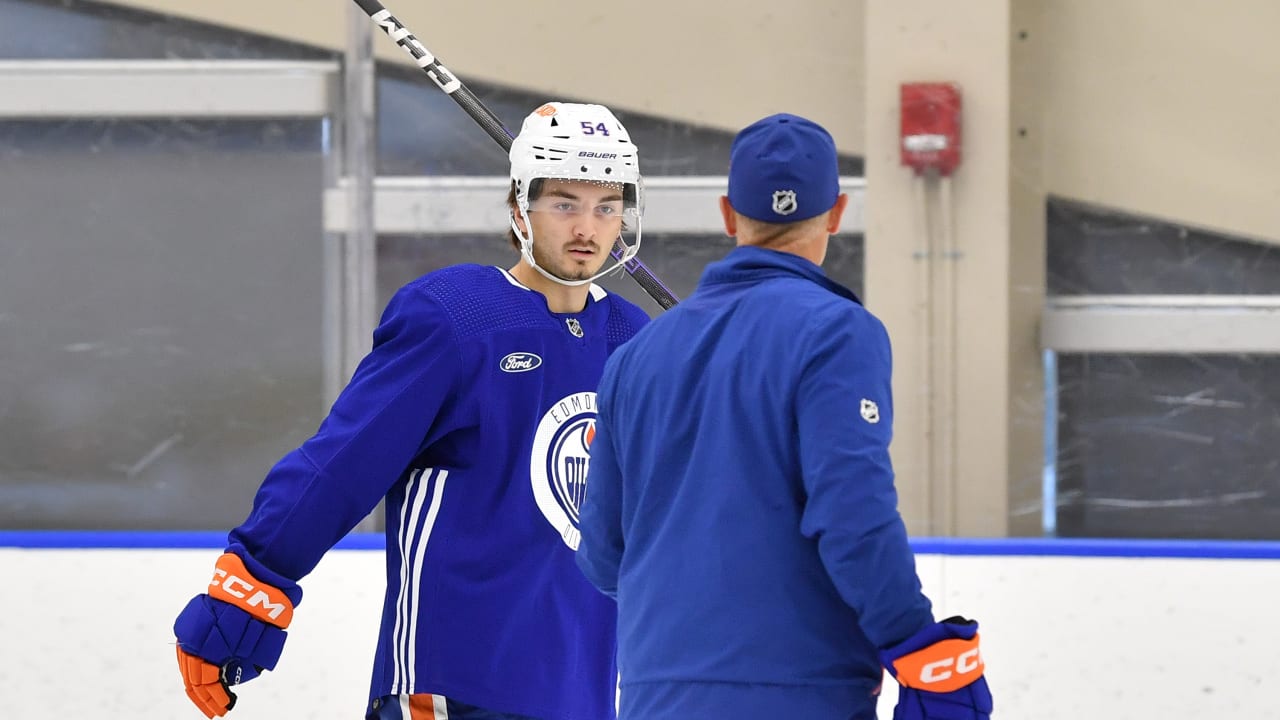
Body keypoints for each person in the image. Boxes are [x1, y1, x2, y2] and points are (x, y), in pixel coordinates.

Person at [173, 101, 652, 720]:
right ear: (519, 207)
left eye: (606, 206)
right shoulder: (456, 317)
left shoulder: (636, 341)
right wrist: (251, 583)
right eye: (564, 203)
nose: (587, 227)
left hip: (582, 694)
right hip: (452, 686)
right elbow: (343, 463)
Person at [575, 113, 993, 720]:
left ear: (727, 215)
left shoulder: (634, 359)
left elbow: (602, 553)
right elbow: (851, 512)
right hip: (802, 691)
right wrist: (916, 643)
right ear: (837, 213)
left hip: (654, 695)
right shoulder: (838, 332)